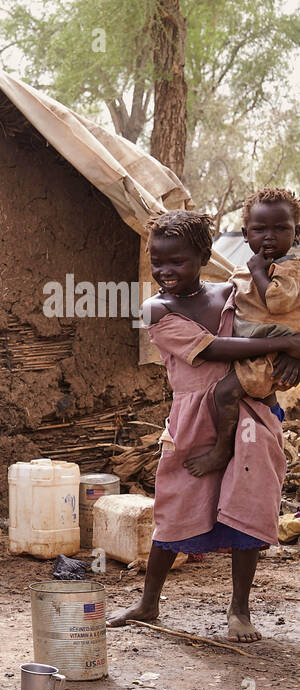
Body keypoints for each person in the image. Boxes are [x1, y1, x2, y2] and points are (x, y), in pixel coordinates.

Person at [108, 211, 300, 642]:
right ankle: (149, 602)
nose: (164, 271)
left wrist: (294, 353)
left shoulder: (231, 292)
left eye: (176, 261)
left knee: (248, 507)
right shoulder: (157, 309)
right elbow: (212, 349)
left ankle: (239, 610)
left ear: (203, 256)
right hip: (193, 420)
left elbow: (279, 317)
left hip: (251, 413)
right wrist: (284, 343)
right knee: (175, 506)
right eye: (157, 262)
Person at [182, 187, 300, 477]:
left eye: (280, 228)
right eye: (260, 229)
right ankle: (270, 434)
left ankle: (222, 451)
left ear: (296, 233)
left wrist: (259, 272)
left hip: (271, 357)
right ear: (246, 234)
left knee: (224, 394)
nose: (269, 236)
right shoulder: (244, 271)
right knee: (259, 406)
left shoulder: (290, 270)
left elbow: (278, 300)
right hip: (253, 352)